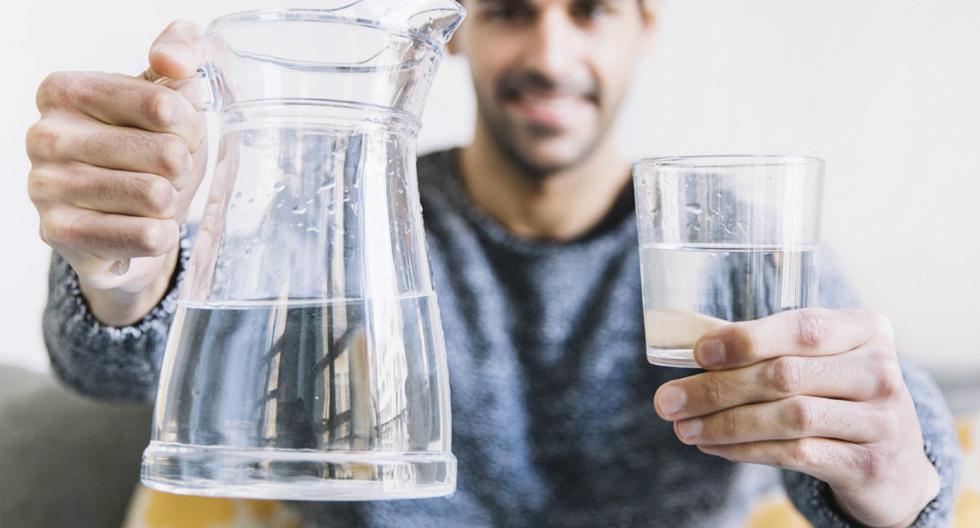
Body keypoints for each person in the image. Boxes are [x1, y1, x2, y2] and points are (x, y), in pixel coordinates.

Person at [27, 1, 960, 526]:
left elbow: (883, 452)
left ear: (642, 24)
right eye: (515, 11)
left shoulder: (720, 244)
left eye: (588, 11)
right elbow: (122, 366)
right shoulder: (349, 220)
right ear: (463, 28)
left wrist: (894, 481)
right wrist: (120, 268)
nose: (551, 53)